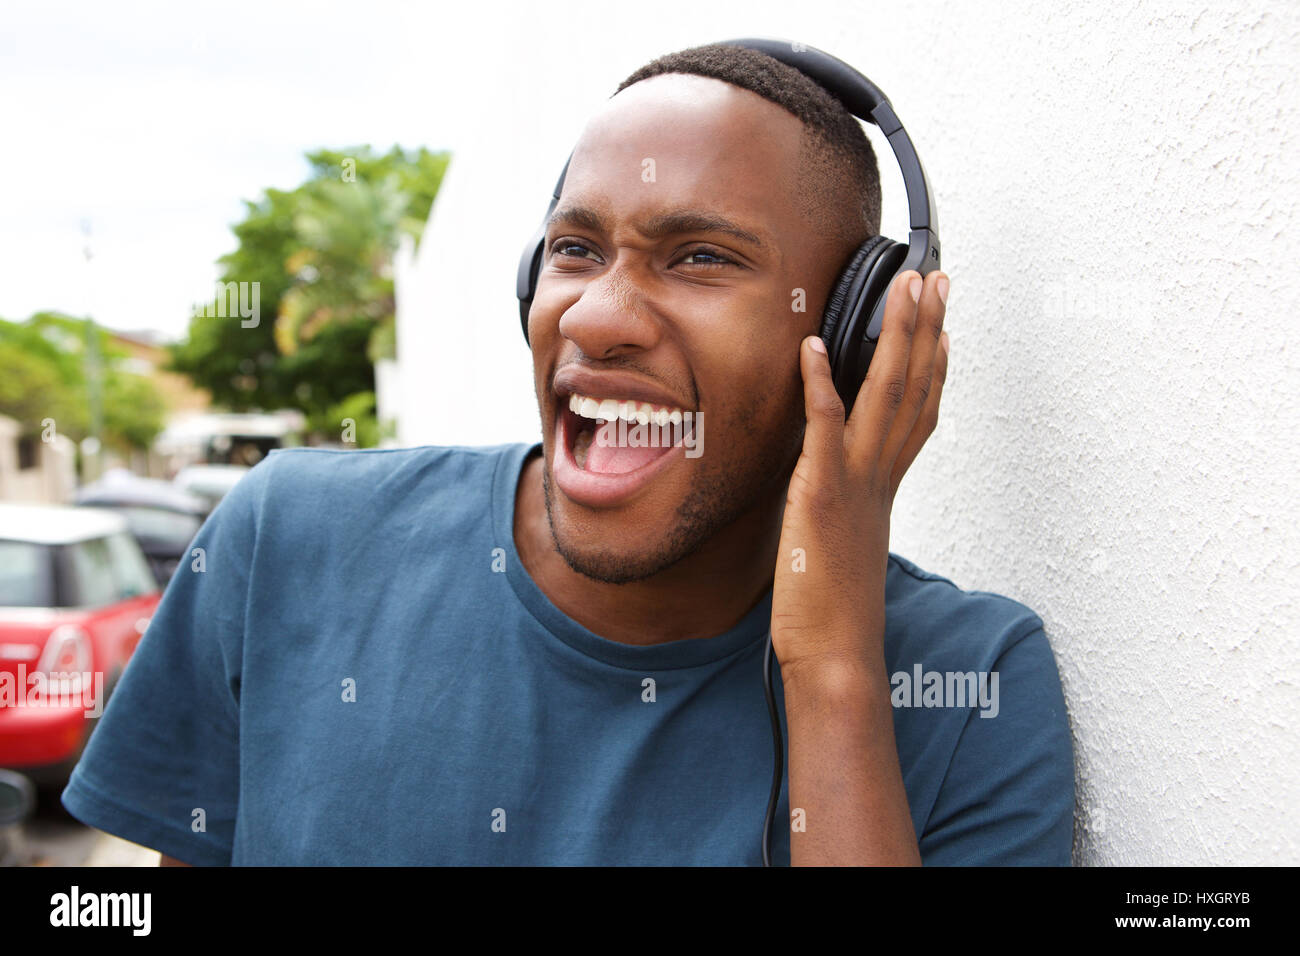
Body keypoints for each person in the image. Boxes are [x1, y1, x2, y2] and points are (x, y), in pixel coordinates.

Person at [61, 41, 1074, 866]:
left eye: (701, 257)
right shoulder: (286, 536)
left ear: (856, 336)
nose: (596, 314)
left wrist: (830, 665)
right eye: (574, 249)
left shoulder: (969, 681)